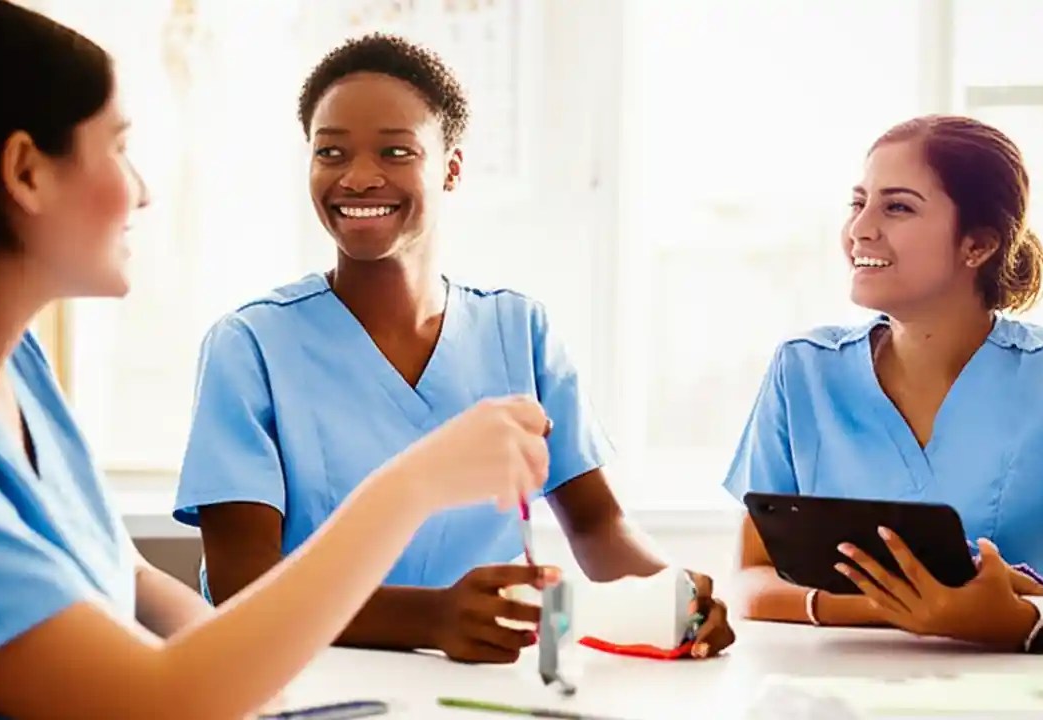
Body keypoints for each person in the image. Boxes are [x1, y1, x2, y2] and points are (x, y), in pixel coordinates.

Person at [0, 2, 555, 718]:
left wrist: (260, 694)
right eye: (118, 147)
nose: (142, 190)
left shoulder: (15, 369)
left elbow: (119, 578)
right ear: (27, 171)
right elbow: (153, 699)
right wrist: (413, 485)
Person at [173, 33, 735, 664]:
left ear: (451, 168)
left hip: (488, 680)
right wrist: (431, 618)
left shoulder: (519, 331)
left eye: (395, 151)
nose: (357, 177)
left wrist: (674, 598)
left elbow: (597, 527)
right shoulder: (249, 346)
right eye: (330, 152)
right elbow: (242, 585)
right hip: (304, 677)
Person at [726, 114, 1043, 651]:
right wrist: (895, 607)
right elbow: (752, 579)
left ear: (978, 245)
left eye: (897, 206)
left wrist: (1027, 618)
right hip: (841, 701)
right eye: (858, 203)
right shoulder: (803, 371)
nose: (860, 229)